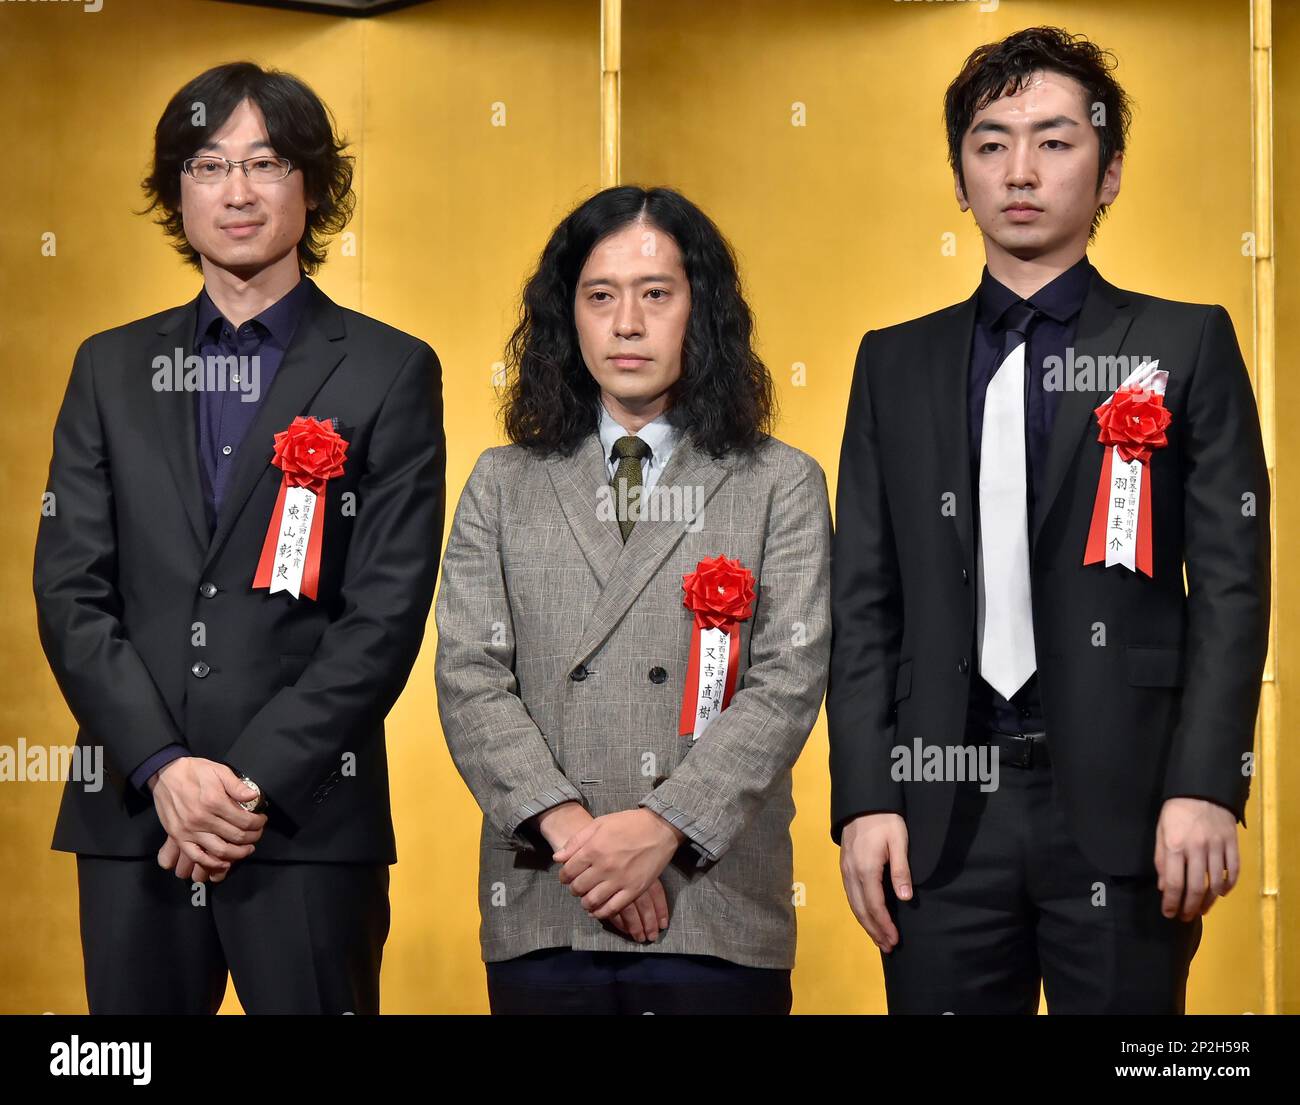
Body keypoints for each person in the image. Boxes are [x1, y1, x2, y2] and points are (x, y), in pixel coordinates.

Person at [828, 26, 1270, 1014]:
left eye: (1054, 141)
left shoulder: (1183, 341)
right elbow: (862, 600)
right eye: (989, 144)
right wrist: (862, 796)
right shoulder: (890, 363)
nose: (1018, 169)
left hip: (1128, 808)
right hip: (939, 815)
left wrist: (1207, 784)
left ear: (1109, 173)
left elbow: (1233, 589)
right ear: (958, 178)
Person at [33, 61, 445, 1014]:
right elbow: (72, 593)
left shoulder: (388, 369)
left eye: (265, 162)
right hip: (136, 818)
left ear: (312, 185)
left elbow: (382, 613)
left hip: (304, 821)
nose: (238, 190)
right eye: (210, 164)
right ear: (177, 191)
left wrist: (247, 784)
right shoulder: (110, 367)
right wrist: (164, 767)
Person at [435, 185, 830, 1015]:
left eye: (656, 295)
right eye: (600, 296)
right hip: (548, 897)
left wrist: (660, 831)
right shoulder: (503, 484)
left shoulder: (779, 481)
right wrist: (583, 841)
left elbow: (788, 681)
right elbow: (471, 678)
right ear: (566, 316)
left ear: (703, 309)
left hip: (714, 901)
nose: (626, 324)